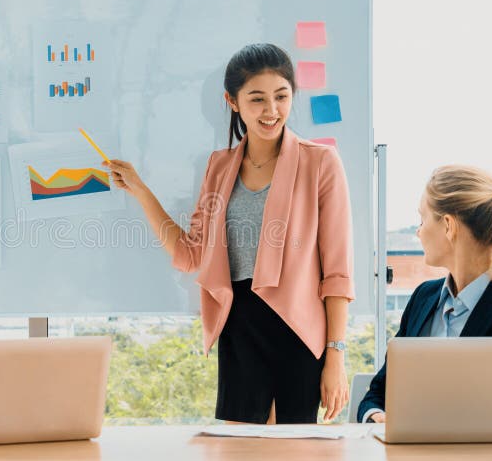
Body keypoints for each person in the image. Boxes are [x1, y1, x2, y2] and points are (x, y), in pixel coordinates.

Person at [105, 43, 354, 423]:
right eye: (257, 99)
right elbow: (190, 254)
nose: (271, 111)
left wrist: (336, 354)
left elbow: (337, 272)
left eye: (281, 97)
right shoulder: (219, 167)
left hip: (297, 330)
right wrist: (140, 190)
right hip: (239, 327)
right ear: (232, 101)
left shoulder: (320, 162)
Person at [358, 165, 492, 423]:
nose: (418, 231)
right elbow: (377, 393)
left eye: (422, 219)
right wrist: (376, 417)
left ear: (448, 226)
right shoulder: (423, 299)